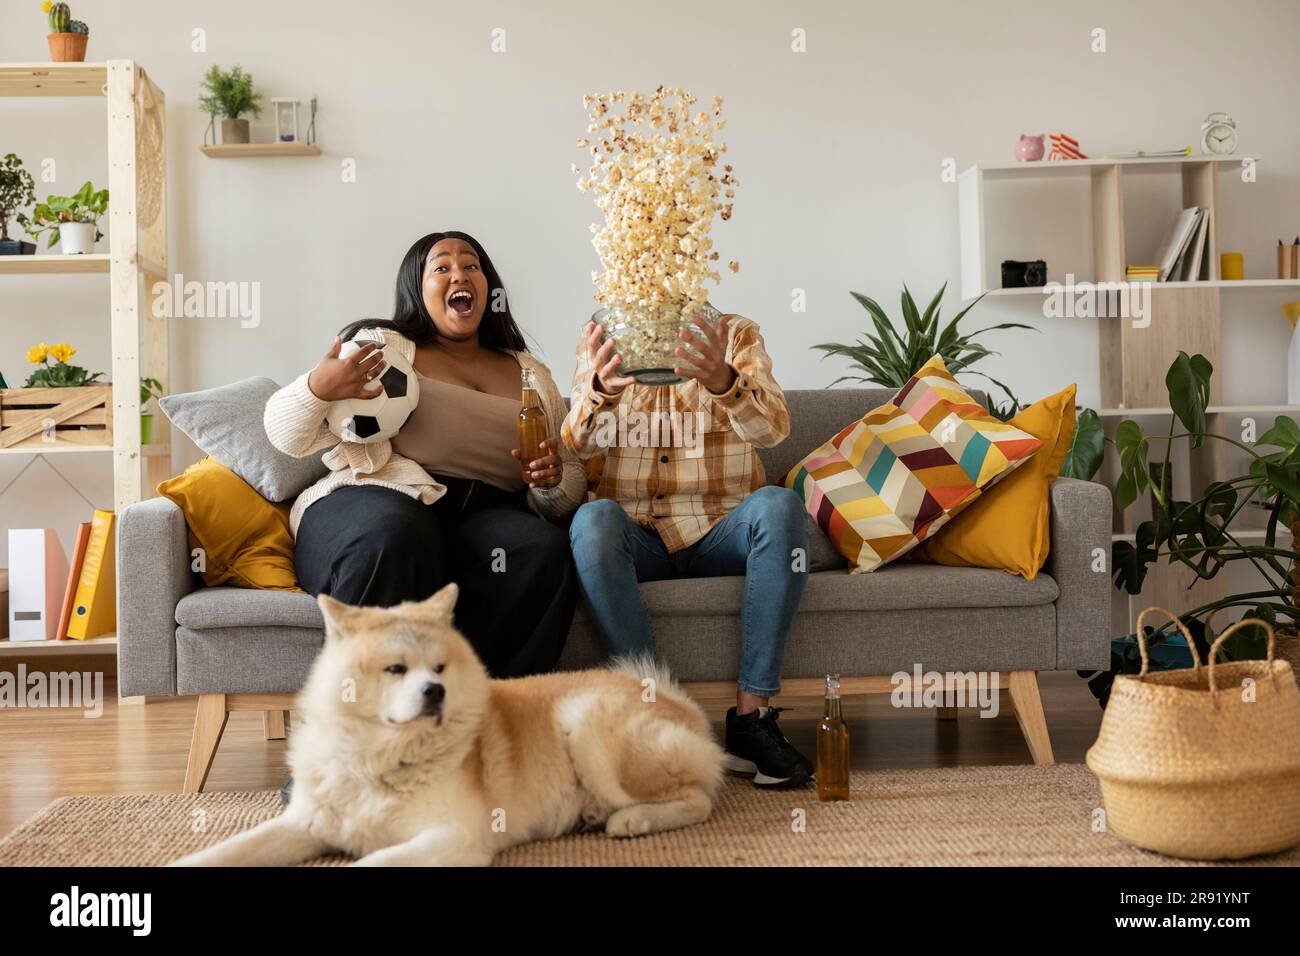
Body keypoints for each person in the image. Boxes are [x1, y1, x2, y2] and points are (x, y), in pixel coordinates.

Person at [265, 231, 585, 679]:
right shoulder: (382, 346)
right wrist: (318, 388)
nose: (460, 274)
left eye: (472, 265)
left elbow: (567, 484)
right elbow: (285, 435)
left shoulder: (530, 372)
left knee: (540, 549)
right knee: (397, 534)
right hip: (377, 497)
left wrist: (551, 483)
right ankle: (366, 720)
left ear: (489, 287)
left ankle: (476, 710)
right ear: (417, 288)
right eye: (442, 267)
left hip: (484, 512)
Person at [562, 308, 814, 787]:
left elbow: (774, 430)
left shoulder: (735, 333)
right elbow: (576, 447)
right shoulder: (605, 334)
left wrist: (725, 381)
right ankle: (655, 717)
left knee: (780, 507)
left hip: (722, 530)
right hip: (636, 537)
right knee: (592, 519)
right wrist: (602, 392)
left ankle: (752, 722)